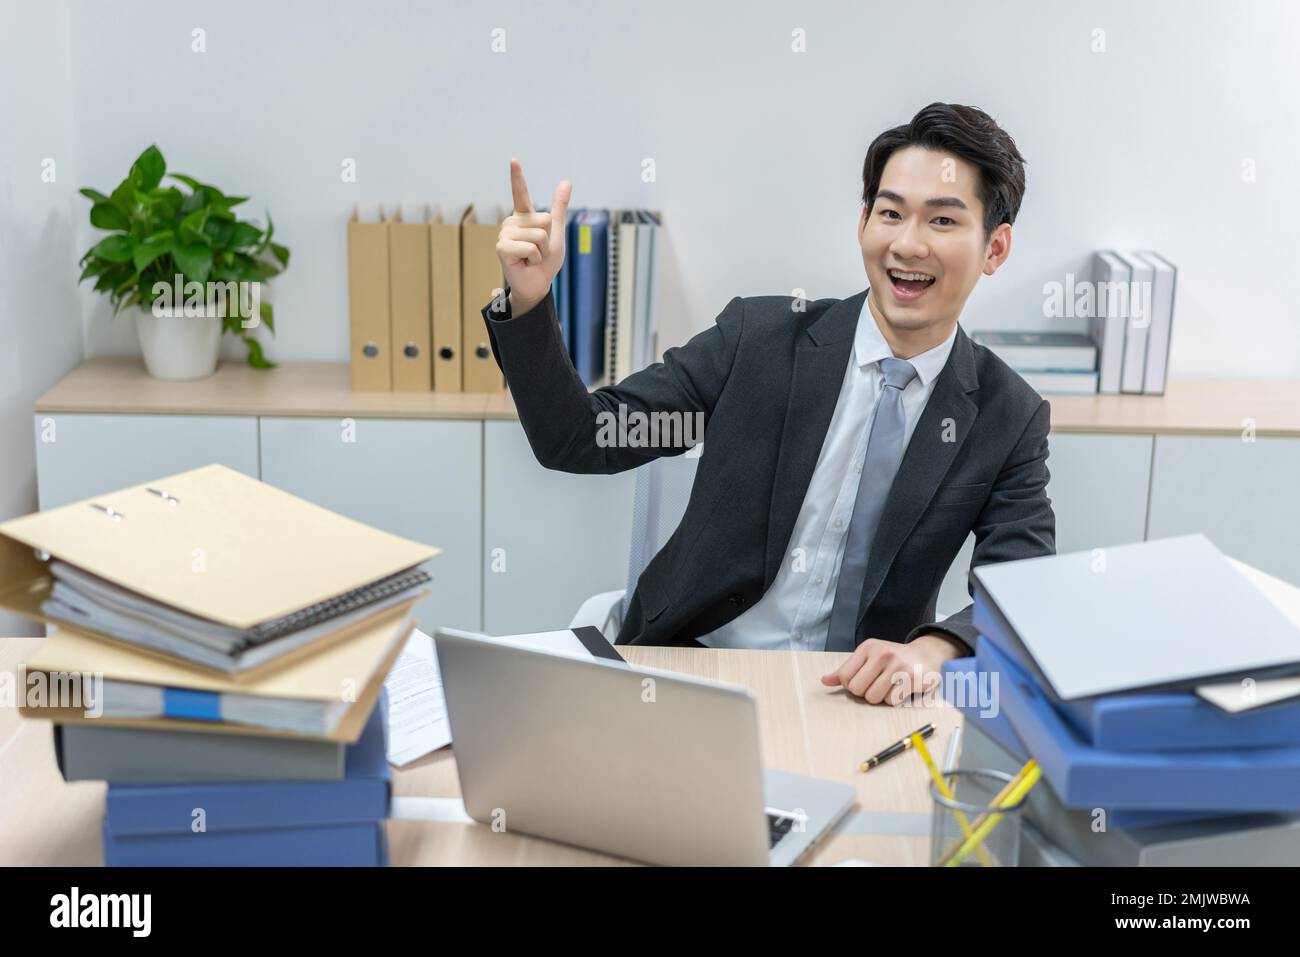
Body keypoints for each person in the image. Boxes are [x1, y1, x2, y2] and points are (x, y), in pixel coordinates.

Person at [481, 102, 1055, 706]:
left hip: (861, 693)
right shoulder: (756, 341)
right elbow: (580, 440)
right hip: (693, 670)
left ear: (995, 248)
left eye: (942, 221)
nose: (907, 244)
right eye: (890, 213)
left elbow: (1022, 582)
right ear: (863, 222)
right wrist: (528, 302)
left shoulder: (1006, 415)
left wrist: (935, 648)